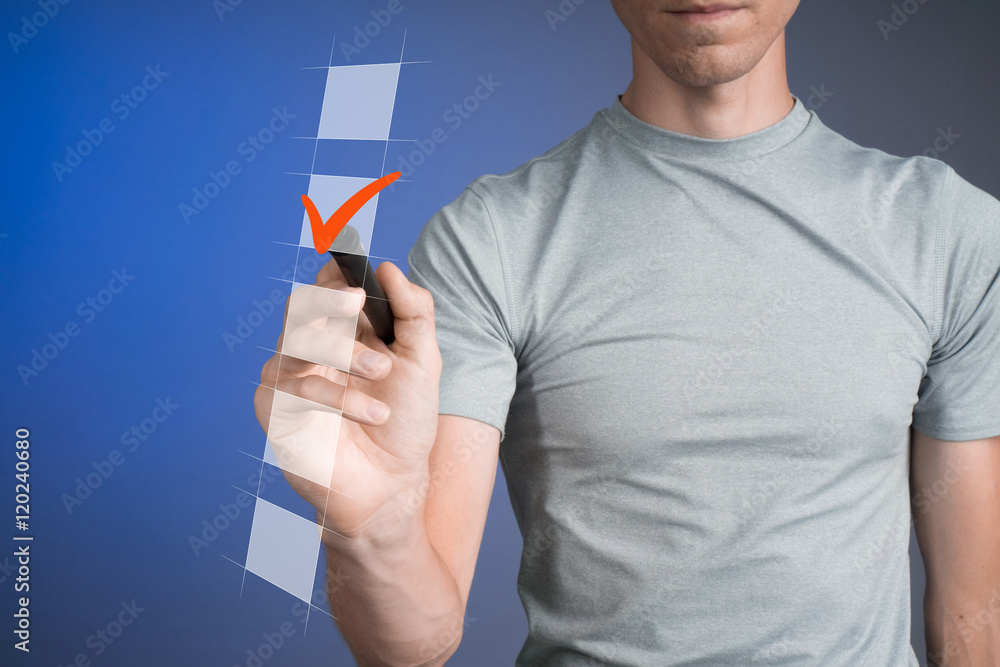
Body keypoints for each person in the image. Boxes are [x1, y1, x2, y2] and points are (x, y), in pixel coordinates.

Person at [254, 1, 1000, 664]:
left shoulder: (946, 231)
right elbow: (416, 643)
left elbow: (972, 615)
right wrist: (374, 529)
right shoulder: (491, 240)